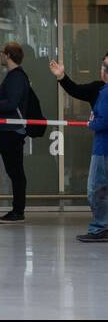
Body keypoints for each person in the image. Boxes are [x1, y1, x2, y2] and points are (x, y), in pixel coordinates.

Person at [48, 57, 108, 242]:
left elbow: (102, 121)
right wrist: (62, 77)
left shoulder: (104, 93)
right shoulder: (98, 88)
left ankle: (101, 227)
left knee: (96, 187)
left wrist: (92, 123)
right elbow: (76, 89)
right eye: (104, 64)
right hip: (102, 145)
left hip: (103, 147)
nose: (104, 69)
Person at [0, 42, 32, 223]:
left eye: (2, 54)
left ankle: (18, 210)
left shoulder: (15, 77)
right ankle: (17, 209)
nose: (1, 57)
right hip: (11, 130)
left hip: (11, 130)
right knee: (14, 171)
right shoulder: (16, 77)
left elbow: (11, 104)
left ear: (7, 56)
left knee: (15, 171)